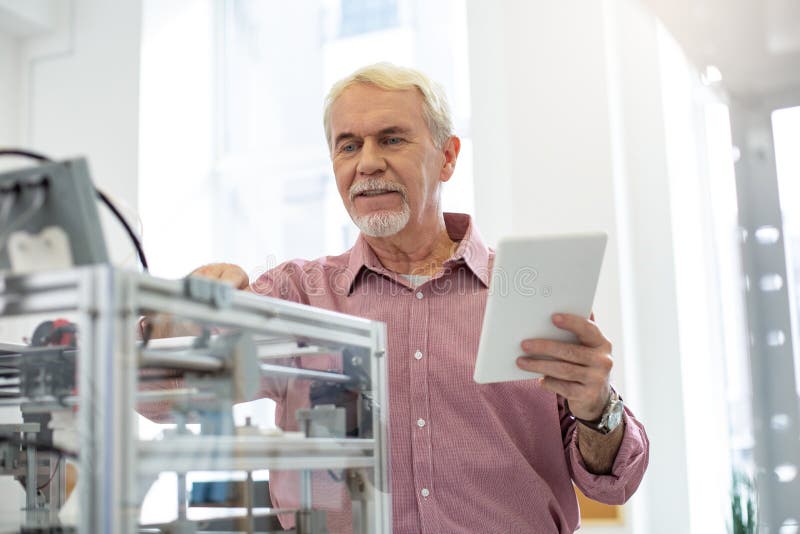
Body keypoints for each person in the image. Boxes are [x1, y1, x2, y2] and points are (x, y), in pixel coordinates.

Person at [189, 63, 649, 533]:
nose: (367, 163)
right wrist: (185, 315)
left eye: (391, 139)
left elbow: (613, 482)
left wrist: (597, 407)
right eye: (348, 145)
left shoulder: (532, 291)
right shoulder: (294, 297)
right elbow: (166, 396)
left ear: (447, 157)